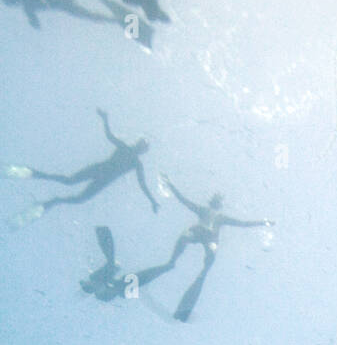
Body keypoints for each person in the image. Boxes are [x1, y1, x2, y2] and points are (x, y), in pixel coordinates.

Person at [5, 109, 158, 220]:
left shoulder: (135, 162)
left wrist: (152, 200)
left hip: (102, 179)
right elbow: (110, 136)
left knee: (78, 197)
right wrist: (105, 120)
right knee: (69, 182)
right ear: (138, 145)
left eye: (142, 147)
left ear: (142, 150)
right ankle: (38, 175)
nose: (140, 148)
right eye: (141, 145)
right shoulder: (127, 151)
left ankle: (54, 199)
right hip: (100, 171)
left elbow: (142, 184)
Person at [159, 178, 271, 321]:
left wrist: (262, 222)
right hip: (203, 233)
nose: (215, 205)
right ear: (214, 203)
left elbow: (243, 224)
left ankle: (186, 266)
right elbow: (183, 199)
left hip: (208, 236)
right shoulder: (206, 211)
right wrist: (170, 184)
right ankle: (176, 262)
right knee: (186, 240)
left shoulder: (214, 214)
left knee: (201, 249)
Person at [2, 0, 154, 46]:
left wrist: (32, 16)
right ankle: (125, 21)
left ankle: (124, 19)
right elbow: (34, 21)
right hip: (64, 0)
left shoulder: (26, 0)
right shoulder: (27, 5)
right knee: (94, 9)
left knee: (95, 2)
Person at [79, 226, 173, 301]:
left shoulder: (95, 277)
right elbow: (115, 290)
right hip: (117, 284)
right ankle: (164, 268)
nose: (93, 286)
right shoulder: (103, 295)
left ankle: (102, 231)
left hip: (111, 276)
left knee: (112, 266)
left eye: (90, 286)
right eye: (91, 288)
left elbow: (111, 268)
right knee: (126, 285)